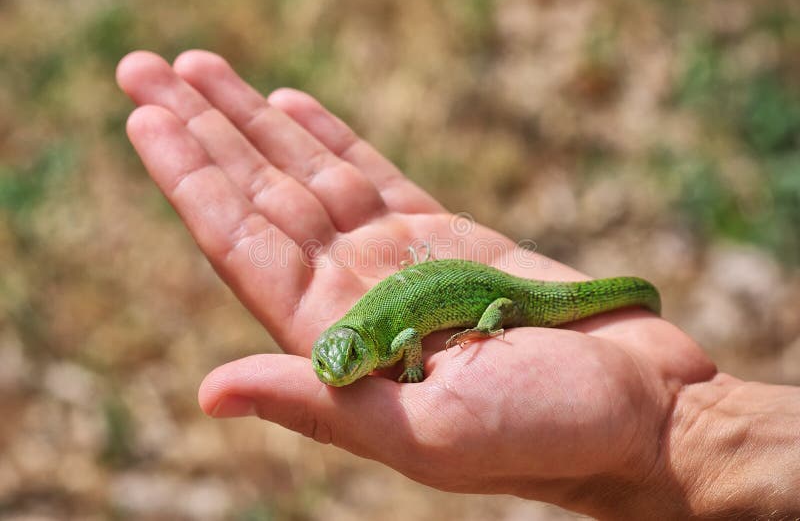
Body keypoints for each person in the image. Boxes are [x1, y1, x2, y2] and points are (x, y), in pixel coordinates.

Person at [116, 50, 800, 519]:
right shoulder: (351, 340)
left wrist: (423, 366)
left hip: (502, 297)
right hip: (470, 282)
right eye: (335, 356)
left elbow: (411, 333)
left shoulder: (390, 343)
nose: (337, 371)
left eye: (347, 358)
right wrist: (675, 428)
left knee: (573, 299)